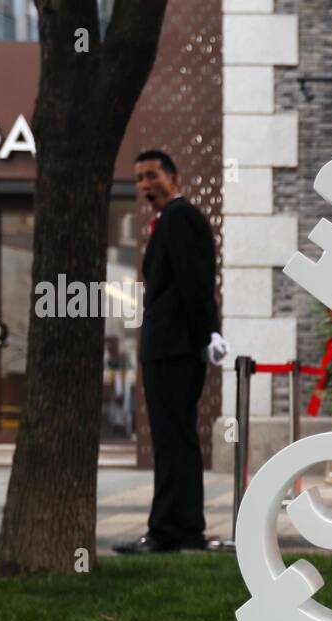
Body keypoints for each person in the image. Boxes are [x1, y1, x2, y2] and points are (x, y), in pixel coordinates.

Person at [115, 150, 219, 554]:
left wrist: (208, 332)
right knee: (175, 439)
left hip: (173, 348)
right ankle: (182, 527)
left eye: (152, 175)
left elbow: (195, 283)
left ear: (174, 177)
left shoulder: (180, 218)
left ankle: (167, 531)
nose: (144, 185)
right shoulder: (170, 220)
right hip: (170, 346)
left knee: (172, 439)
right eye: (138, 178)